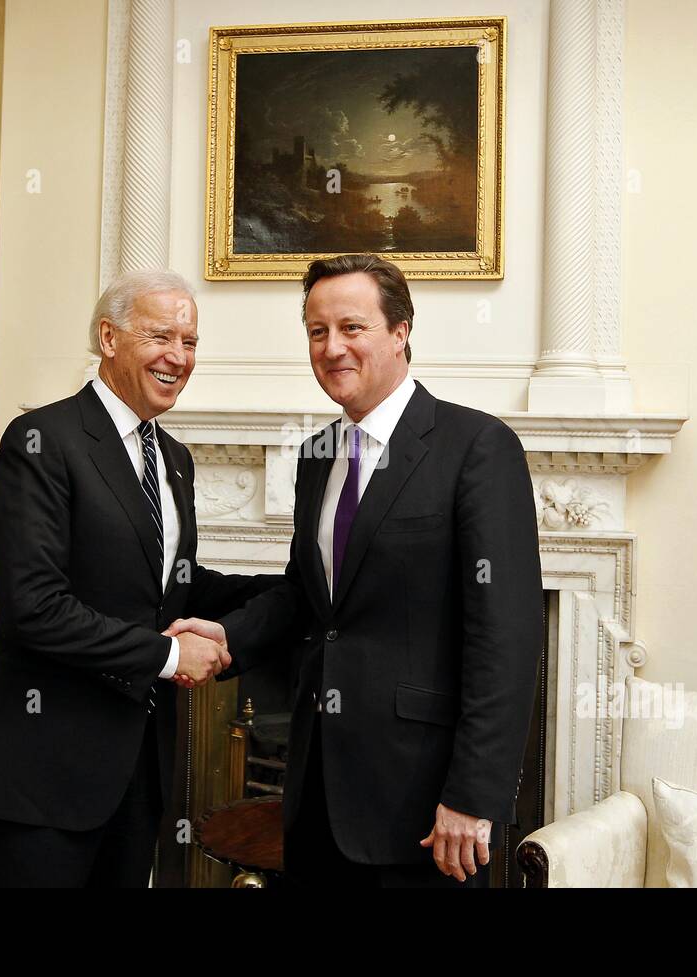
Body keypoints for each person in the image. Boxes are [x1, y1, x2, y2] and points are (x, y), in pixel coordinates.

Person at [169, 254, 543, 887]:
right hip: (317, 790)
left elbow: (507, 636)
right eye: (318, 331)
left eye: (352, 327)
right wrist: (229, 636)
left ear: (400, 332)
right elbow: (308, 599)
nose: (332, 347)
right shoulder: (318, 455)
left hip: (429, 804)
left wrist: (475, 795)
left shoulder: (476, 447)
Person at [0, 269, 276, 887]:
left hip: (139, 777)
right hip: (46, 779)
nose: (179, 357)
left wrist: (292, 590)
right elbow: (35, 606)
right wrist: (168, 653)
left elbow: (170, 586)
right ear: (108, 337)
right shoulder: (41, 439)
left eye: (190, 342)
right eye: (161, 336)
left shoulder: (173, 458)